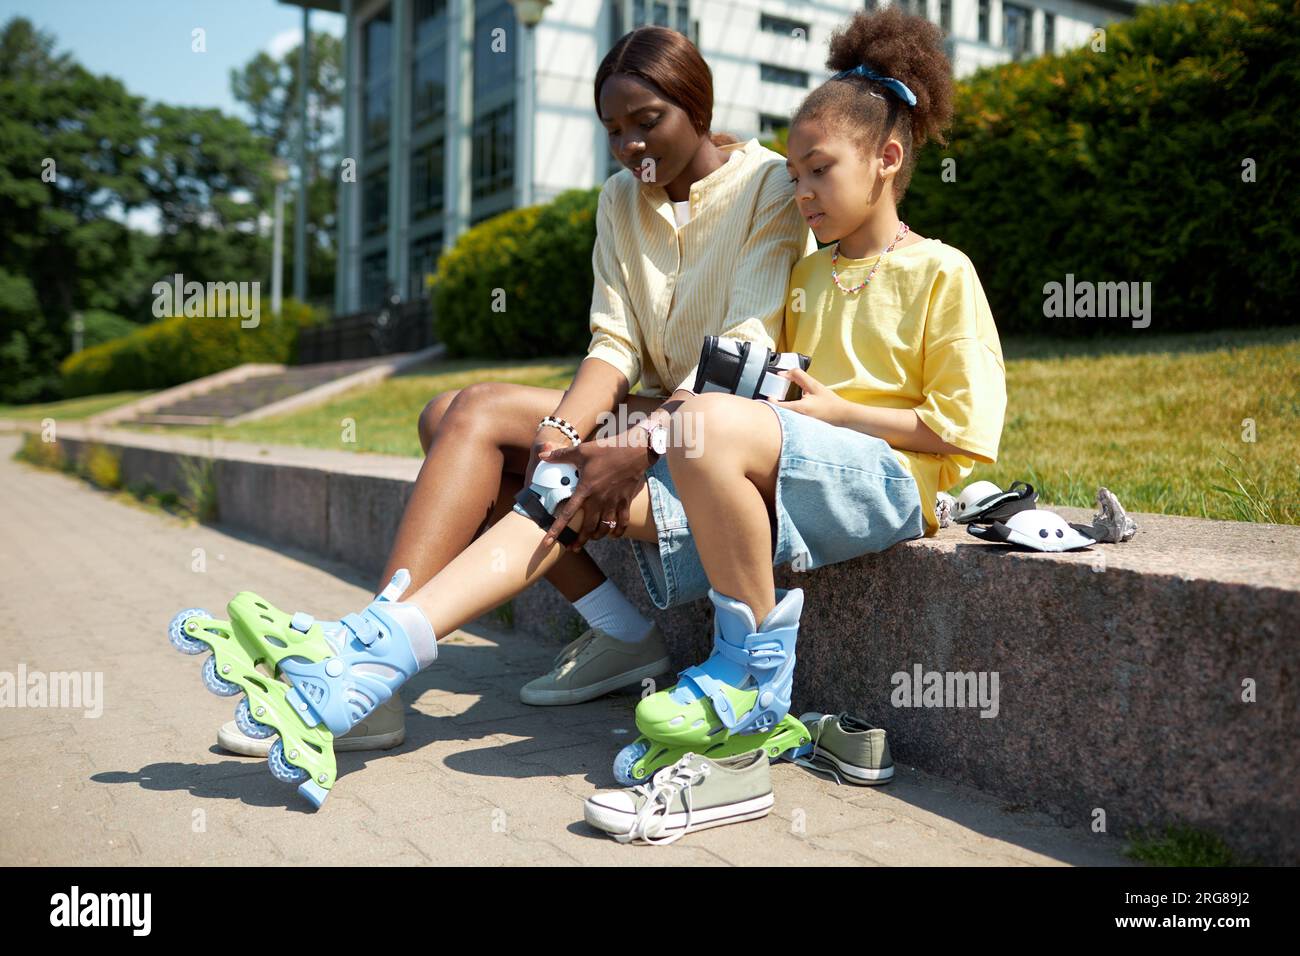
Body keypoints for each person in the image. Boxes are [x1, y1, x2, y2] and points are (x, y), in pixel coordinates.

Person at [214, 25, 813, 757]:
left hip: (719, 426)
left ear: (697, 103)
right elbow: (615, 341)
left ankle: (371, 673)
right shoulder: (621, 200)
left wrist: (638, 440)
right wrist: (563, 430)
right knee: (456, 414)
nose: (630, 145)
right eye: (613, 130)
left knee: (477, 420)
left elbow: (744, 348)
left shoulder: (771, 185)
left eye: (647, 121)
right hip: (645, 407)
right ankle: (393, 661)